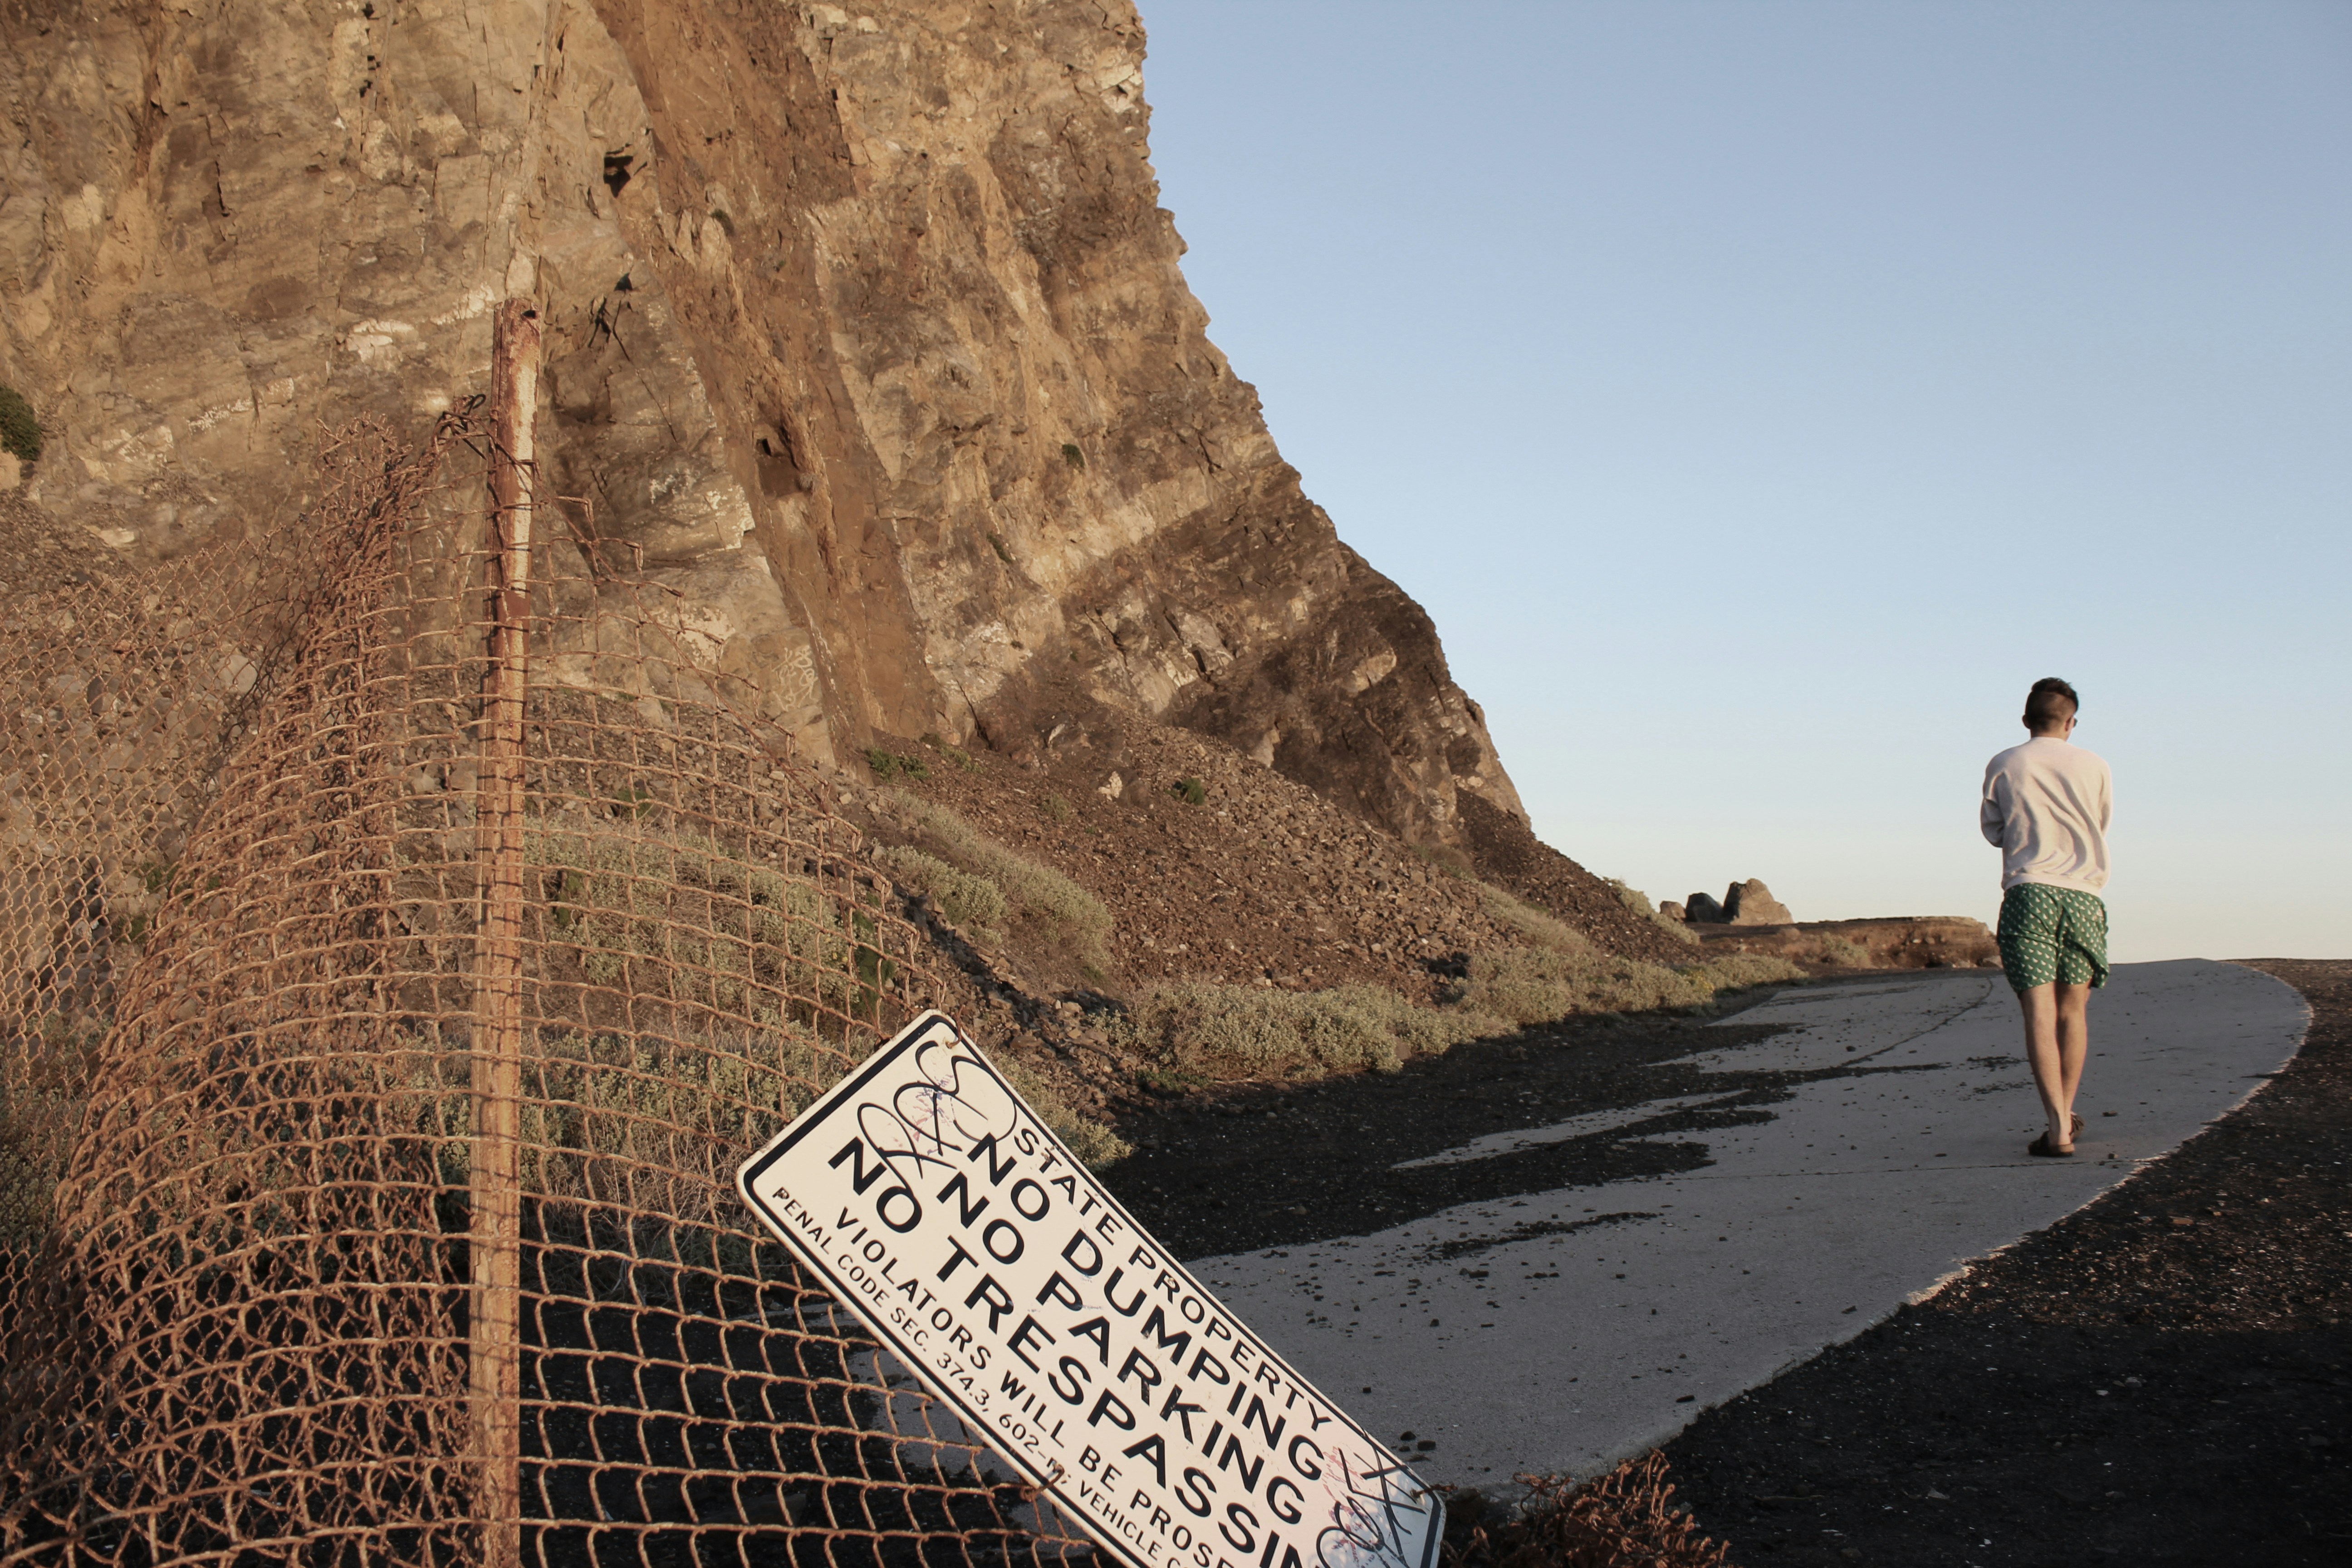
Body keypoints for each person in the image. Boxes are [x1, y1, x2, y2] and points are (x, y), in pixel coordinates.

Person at [1980, 677, 2112, 1157]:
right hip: (2082, 896)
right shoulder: (2095, 765)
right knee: (2072, 1010)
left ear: (2025, 720)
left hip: (2029, 890)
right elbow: (2100, 822)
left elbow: (1994, 832)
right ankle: (2068, 1114)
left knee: (2038, 1011)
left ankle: (2057, 1124)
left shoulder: (2005, 763)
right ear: (2071, 722)